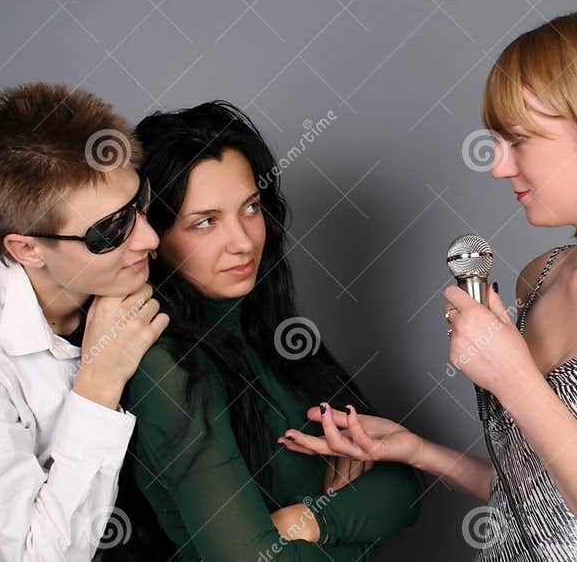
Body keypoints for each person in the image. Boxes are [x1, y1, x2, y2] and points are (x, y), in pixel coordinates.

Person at [279, 10, 577, 560]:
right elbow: (545, 500)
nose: (497, 166)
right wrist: (419, 452)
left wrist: (515, 380)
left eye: (519, 139)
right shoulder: (540, 277)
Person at [113, 101, 422, 561]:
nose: (242, 241)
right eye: (205, 222)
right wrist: (342, 523)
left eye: (251, 208)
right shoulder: (165, 366)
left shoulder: (273, 330)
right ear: (153, 238)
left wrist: (311, 521)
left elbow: (403, 486)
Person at [0, 83, 169, 560]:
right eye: (109, 231)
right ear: (26, 249)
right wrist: (99, 384)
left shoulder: (122, 273)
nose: (148, 236)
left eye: (140, 201)